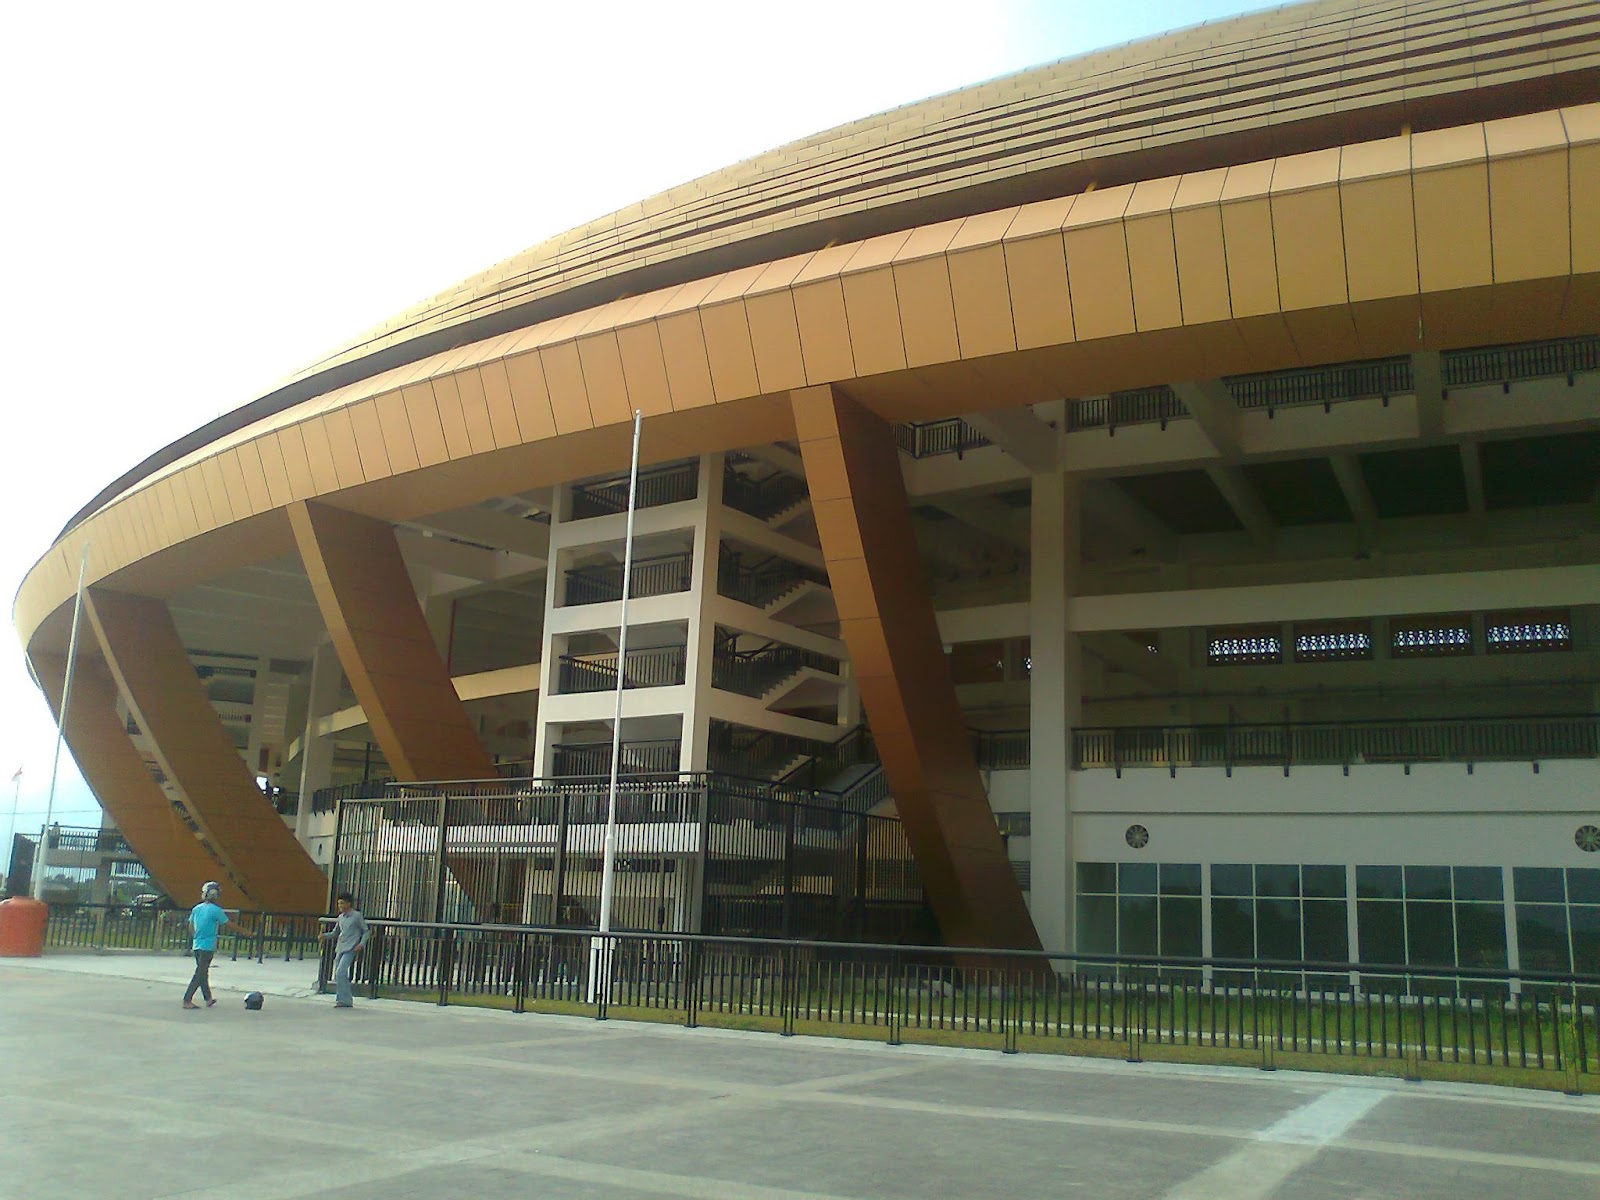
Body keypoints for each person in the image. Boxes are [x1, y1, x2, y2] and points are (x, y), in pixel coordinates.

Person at [183, 881, 229, 1009]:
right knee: (200, 973)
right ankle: (187, 999)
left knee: (203, 972)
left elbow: (190, 926)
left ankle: (208, 998)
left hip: (197, 945)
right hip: (208, 946)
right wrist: (246, 932)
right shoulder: (216, 910)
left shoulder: (197, 908)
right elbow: (228, 924)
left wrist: (195, 937)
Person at [321, 892, 368, 1008]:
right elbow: (335, 933)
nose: (340, 906)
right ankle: (344, 999)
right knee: (338, 974)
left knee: (341, 971)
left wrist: (361, 944)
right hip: (340, 947)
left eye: (342, 903)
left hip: (351, 947)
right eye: (339, 904)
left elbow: (366, 931)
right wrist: (324, 936)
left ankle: (344, 1000)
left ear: (349, 903)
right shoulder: (340, 918)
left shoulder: (357, 916)